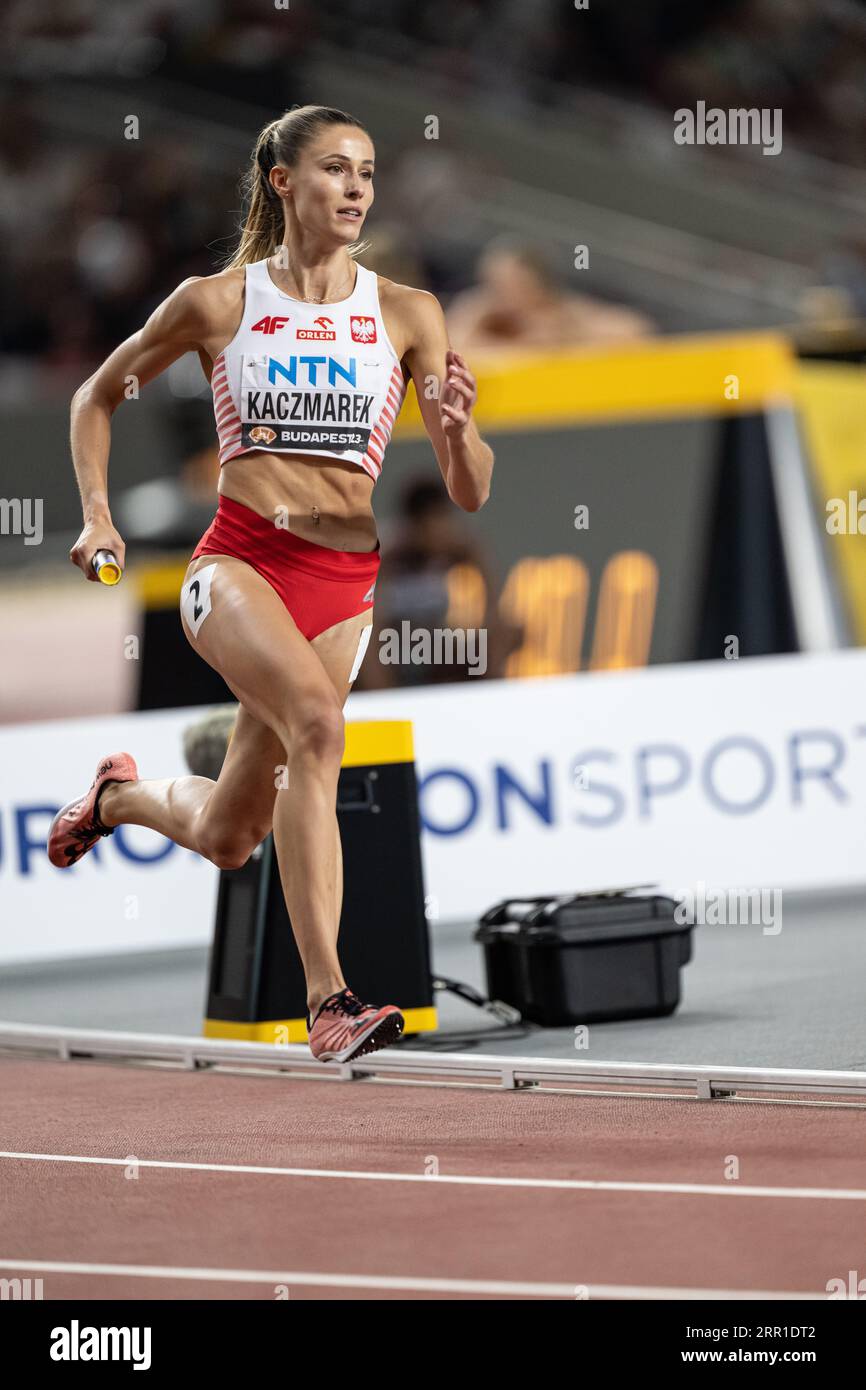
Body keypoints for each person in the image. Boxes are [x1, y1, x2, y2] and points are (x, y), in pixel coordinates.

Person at [49, 104, 494, 1063]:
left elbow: (468, 492)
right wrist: (96, 514)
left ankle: (117, 800)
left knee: (228, 837)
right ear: (285, 182)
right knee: (319, 728)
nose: (357, 188)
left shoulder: (408, 311)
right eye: (336, 169)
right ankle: (329, 1001)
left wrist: (458, 432)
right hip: (239, 564)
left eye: (369, 172)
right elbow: (95, 396)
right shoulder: (218, 302)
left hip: (347, 583)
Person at [446, 237, 654, 354]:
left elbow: (635, 332)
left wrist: (567, 336)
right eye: (493, 284)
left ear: (538, 284)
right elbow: (447, 350)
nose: (502, 293)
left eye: (513, 284)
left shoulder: (567, 312)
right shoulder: (479, 314)